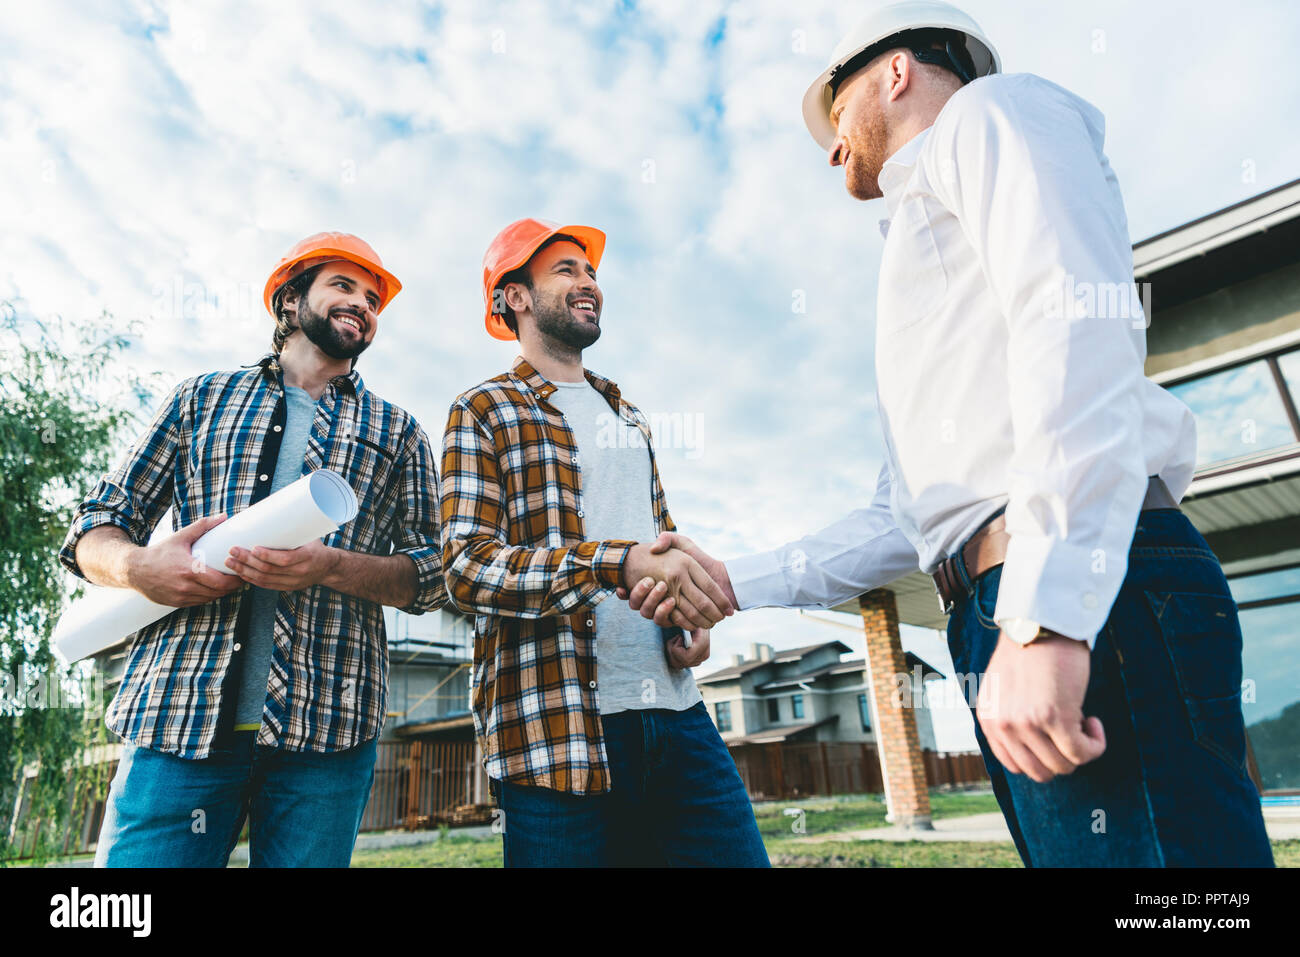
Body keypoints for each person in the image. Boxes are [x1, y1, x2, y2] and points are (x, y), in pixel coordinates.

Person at [624, 2, 1273, 867]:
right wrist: (729, 580)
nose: (829, 147)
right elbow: (906, 517)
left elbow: (1073, 325)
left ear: (895, 72)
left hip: (1088, 590)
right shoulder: (924, 253)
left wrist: (1046, 617)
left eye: (835, 108)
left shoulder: (993, 113)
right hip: (1002, 609)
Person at [61, 231, 446, 867]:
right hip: (179, 719)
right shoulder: (201, 398)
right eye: (344, 287)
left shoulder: (398, 431)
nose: (364, 304)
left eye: (374, 298)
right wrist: (136, 566)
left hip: (327, 735)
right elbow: (97, 524)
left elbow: (435, 576)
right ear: (291, 301)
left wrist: (331, 566)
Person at [439, 217, 766, 866]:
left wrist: (690, 619)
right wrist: (610, 561)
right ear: (517, 298)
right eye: (566, 270)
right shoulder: (481, 410)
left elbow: (662, 544)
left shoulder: (630, 416)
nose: (589, 282)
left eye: (591, 271)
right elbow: (467, 568)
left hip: (676, 713)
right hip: (552, 725)